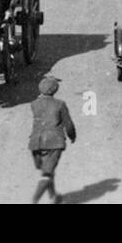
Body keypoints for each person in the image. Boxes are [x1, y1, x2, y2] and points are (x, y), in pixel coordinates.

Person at [28, 75, 77, 204]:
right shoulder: (60, 104)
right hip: (54, 142)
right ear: (55, 89)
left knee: (47, 170)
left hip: (35, 143)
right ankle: (34, 200)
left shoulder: (34, 104)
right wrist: (72, 136)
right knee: (47, 174)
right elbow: (69, 124)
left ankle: (53, 197)